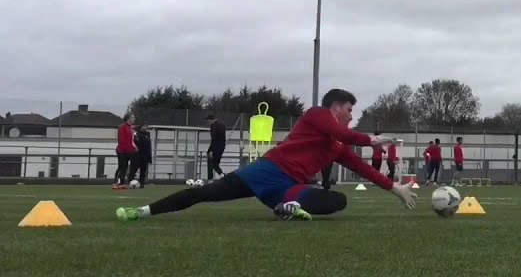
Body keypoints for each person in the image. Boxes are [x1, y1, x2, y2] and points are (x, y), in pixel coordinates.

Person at [114, 88, 416, 222]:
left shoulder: (337, 144)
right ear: (335, 108)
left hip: (287, 188)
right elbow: (347, 135)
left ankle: (287, 206)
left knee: (337, 200)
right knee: (204, 193)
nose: (352, 115)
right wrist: (371, 139)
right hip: (266, 172)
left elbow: (362, 167)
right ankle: (143, 211)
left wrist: (394, 188)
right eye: (350, 110)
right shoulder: (317, 115)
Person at [113, 113, 137, 189]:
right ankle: (117, 182)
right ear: (128, 119)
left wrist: (134, 148)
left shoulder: (131, 128)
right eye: (133, 117)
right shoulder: (122, 127)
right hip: (122, 151)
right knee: (122, 167)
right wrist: (126, 150)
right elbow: (122, 140)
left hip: (128, 151)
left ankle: (122, 183)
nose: (134, 119)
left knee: (126, 167)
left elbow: (131, 141)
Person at [206, 114, 227, 180]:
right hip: (221, 147)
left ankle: (210, 180)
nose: (208, 123)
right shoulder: (222, 125)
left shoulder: (213, 127)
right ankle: (222, 175)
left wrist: (211, 150)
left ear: (212, 120)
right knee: (215, 164)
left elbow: (214, 139)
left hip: (215, 148)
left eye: (208, 121)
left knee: (210, 164)